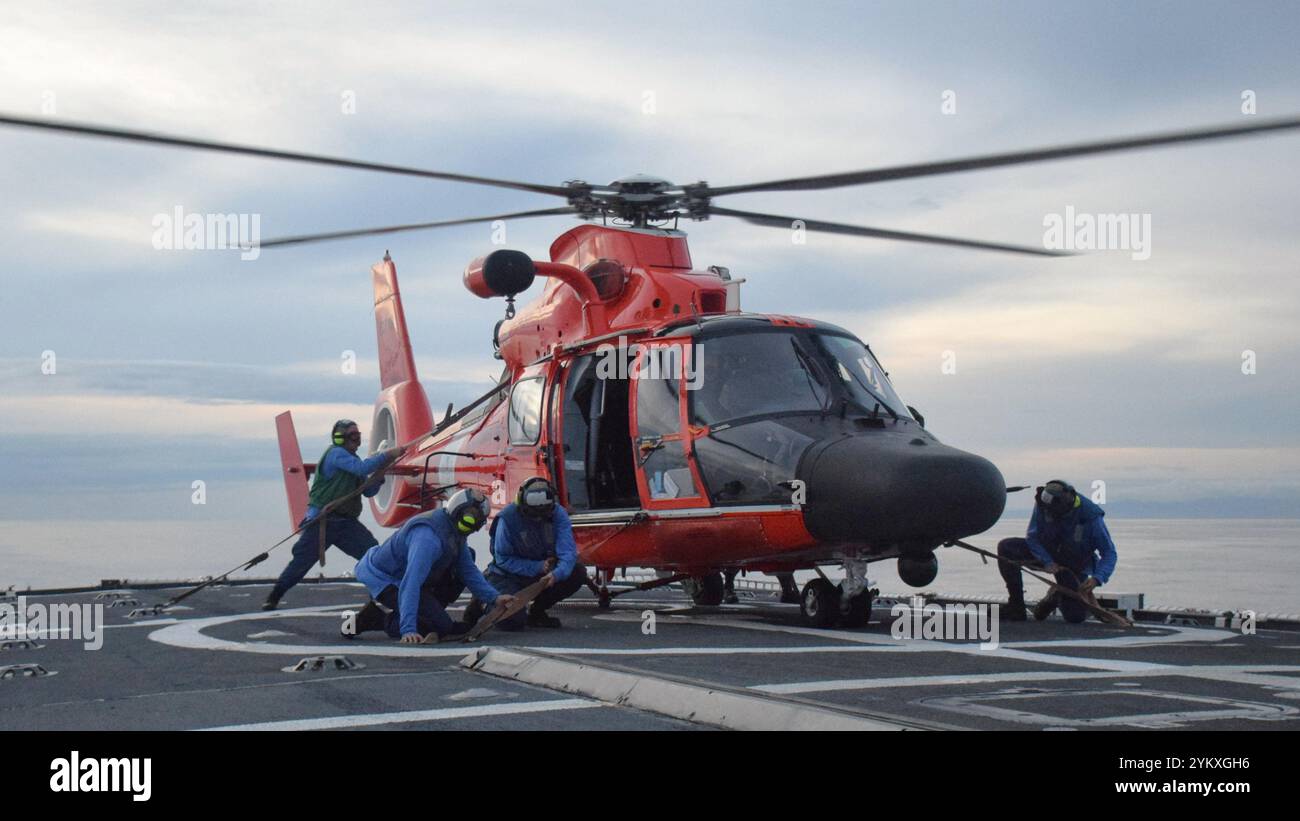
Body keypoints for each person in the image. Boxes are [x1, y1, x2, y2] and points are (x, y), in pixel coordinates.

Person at [263, 419, 405, 610]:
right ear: (342, 439)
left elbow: (368, 491)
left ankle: (381, 599)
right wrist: (387, 455)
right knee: (300, 564)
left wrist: (380, 476)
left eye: (357, 435)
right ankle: (274, 596)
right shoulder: (336, 454)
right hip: (322, 522)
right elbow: (362, 469)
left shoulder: (352, 461)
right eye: (352, 435)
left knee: (375, 557)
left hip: (346, 524)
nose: (355, 439)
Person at [349, 488, 513, 642]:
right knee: (439, 626)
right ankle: (377, 619)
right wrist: (408, 629)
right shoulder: (427, 539)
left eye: (473, 526)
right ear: (456, 514)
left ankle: (432, 617)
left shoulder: (455, 530)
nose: (468, 529)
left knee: (468, 554)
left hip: (407, 578)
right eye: (467, 523)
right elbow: (411, 582)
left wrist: (494, 597)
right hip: (385, 579)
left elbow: (467, 570)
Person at [468, 477, 586, 630]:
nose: (538, 519)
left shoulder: (558, 513)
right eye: (534, 515)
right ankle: (482, 601)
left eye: (542, 515)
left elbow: (568, 552)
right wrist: (537, 566)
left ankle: (537, 613)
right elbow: (502, 559)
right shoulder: (507, 519)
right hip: (507, 575)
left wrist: (557, 574)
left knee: (576, 573)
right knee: (511, 623)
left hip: (544, 571)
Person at [997, 480, 1117, 623]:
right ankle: (1016, 606)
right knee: (1007, 547)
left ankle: (1056, 594)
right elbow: (1032, 536)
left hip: (1072, 566)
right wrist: (1046, 561)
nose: (1048, 513)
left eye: (1052, 511)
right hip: (1046, 555)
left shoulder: (1090, 517)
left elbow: (1109, 553)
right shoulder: (1043, 504)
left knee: (1075, 617)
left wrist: (1097, 578)